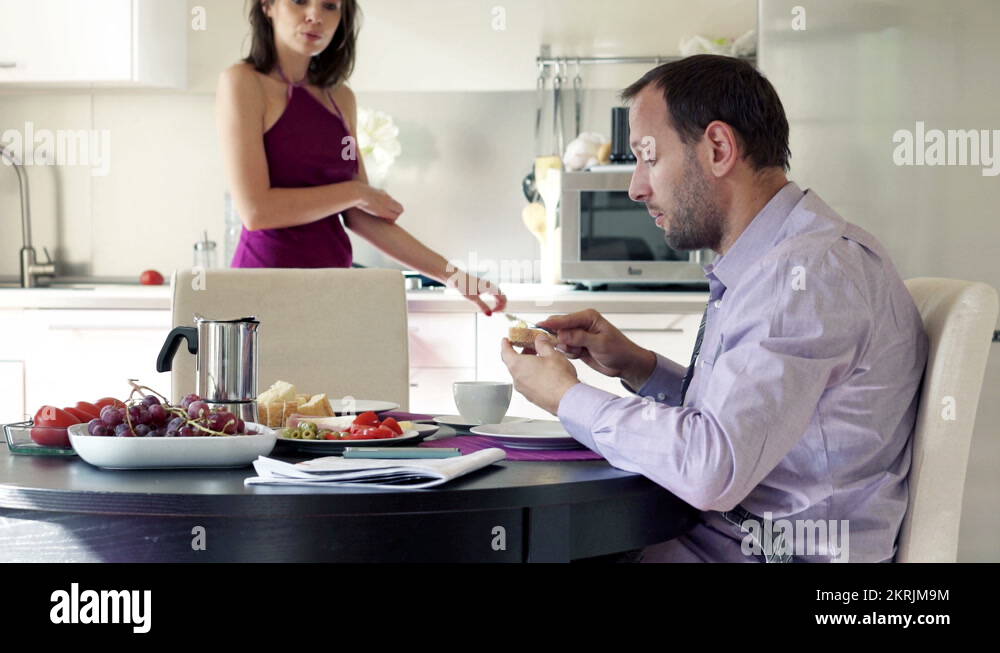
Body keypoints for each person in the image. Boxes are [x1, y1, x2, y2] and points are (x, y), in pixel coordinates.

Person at [501, 55, 929, 563]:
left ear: (719, 149)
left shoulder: (808, 272)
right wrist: (640, 366)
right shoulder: (780, 259)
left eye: (647, 157)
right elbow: (746, 422)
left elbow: (712, 469)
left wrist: (565, 396)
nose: (636, 187)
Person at [216, 0, 505, 315]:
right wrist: (354, 192)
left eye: (330, 6)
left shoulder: (340, 98)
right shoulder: (243, 82)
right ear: (268, 5)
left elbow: (360, 215)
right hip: (263, 294)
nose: (315, 16)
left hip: (334, 292)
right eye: (300, 1)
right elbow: (256, 211)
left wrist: (454, 277)